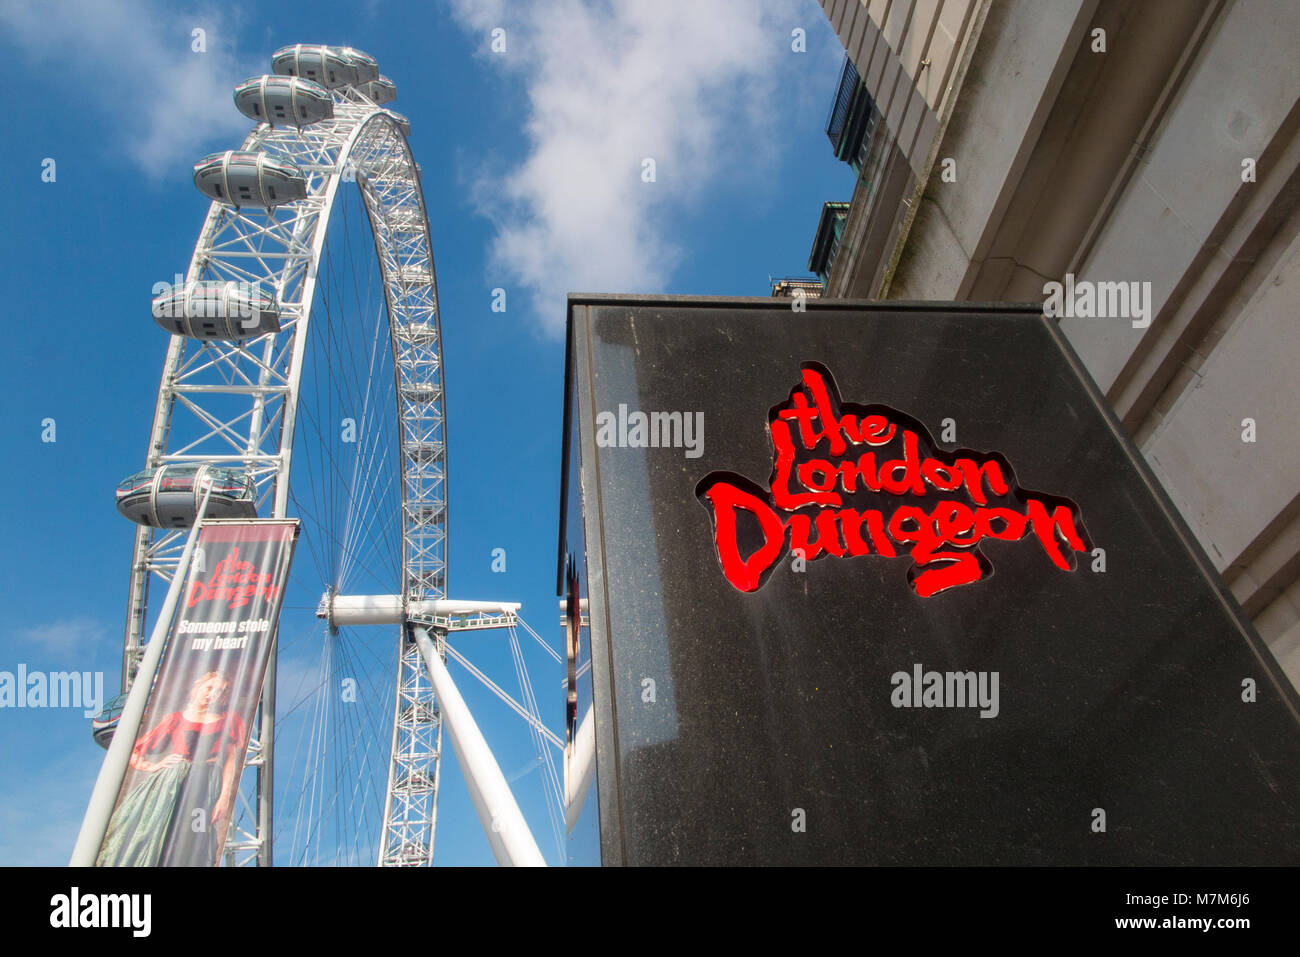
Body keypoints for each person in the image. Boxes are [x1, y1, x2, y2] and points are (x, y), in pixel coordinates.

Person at [96, 670, 246, 867]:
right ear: (198, 687)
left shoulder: (228, 721)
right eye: (209, 688)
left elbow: (229, 761)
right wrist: (153, 765)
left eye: (220, 691)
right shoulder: (175, 719)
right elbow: (134, 751)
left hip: (204, 781)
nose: (213, 694)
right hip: (171, 782)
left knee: (195, 835)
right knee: (151, 831)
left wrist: (224, 797)